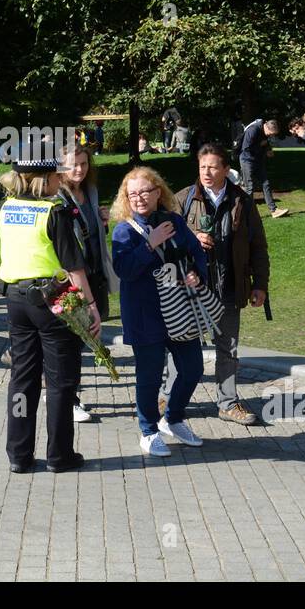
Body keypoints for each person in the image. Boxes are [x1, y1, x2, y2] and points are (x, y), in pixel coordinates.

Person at [0, 159, 91, 473]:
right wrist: (90, 308)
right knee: (61, 382)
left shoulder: (5, 207)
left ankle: (19, 455)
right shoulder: (54, 212)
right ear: (44, 179)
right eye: (56, 175)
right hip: (53, 300)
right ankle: (60, 455)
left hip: (16, 301)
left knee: (22, 379)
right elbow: (74, 266)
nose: (60, 180)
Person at [165, 144, 270, 425]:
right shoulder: (183, 199)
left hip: (229, 288)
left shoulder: (243, 201)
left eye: (213, 167)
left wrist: (260, 284)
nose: (207, 172)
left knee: (228, 349)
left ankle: (227, 403)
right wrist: (192, 238)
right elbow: (164, 242)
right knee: (182, 344)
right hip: (190, 290)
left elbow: (258, 246)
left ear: (226, 169)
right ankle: (169, 397)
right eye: (202, 167)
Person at [111, 165, 209, 457]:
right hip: (145, 314)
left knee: (193, 368)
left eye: (144, 192)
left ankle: (174, 418)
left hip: (178, 310)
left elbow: (196, 253)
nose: (139, 198)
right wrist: (150, 245)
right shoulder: (124, 230)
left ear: (158, 193)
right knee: (149, 375)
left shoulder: (174, 221)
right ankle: (148, 430)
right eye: (132, 194)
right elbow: (124, 270)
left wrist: (195, 274)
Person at [57, 143, 114, 424]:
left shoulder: (89, 192)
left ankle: (60, 390)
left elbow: (92, 234)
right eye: (72, 164)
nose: (78, 169)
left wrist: (102, 222)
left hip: (94, 273)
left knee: (85, 337)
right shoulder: (58, 197)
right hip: (71, 277)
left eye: (83, 163)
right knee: (73, 340)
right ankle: (69, 398)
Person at [237, 118, 290, 219]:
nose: (271, 135)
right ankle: (247, 214)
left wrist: (268, 149)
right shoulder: (252, 130)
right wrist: (260, 145)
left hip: (257, 160)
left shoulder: (265, 132)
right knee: (249, 187)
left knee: (266, 184)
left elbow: (266, 142)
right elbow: (246, 148)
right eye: (270, 133)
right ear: (266, 126)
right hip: (246, 160)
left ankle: (274, 210)